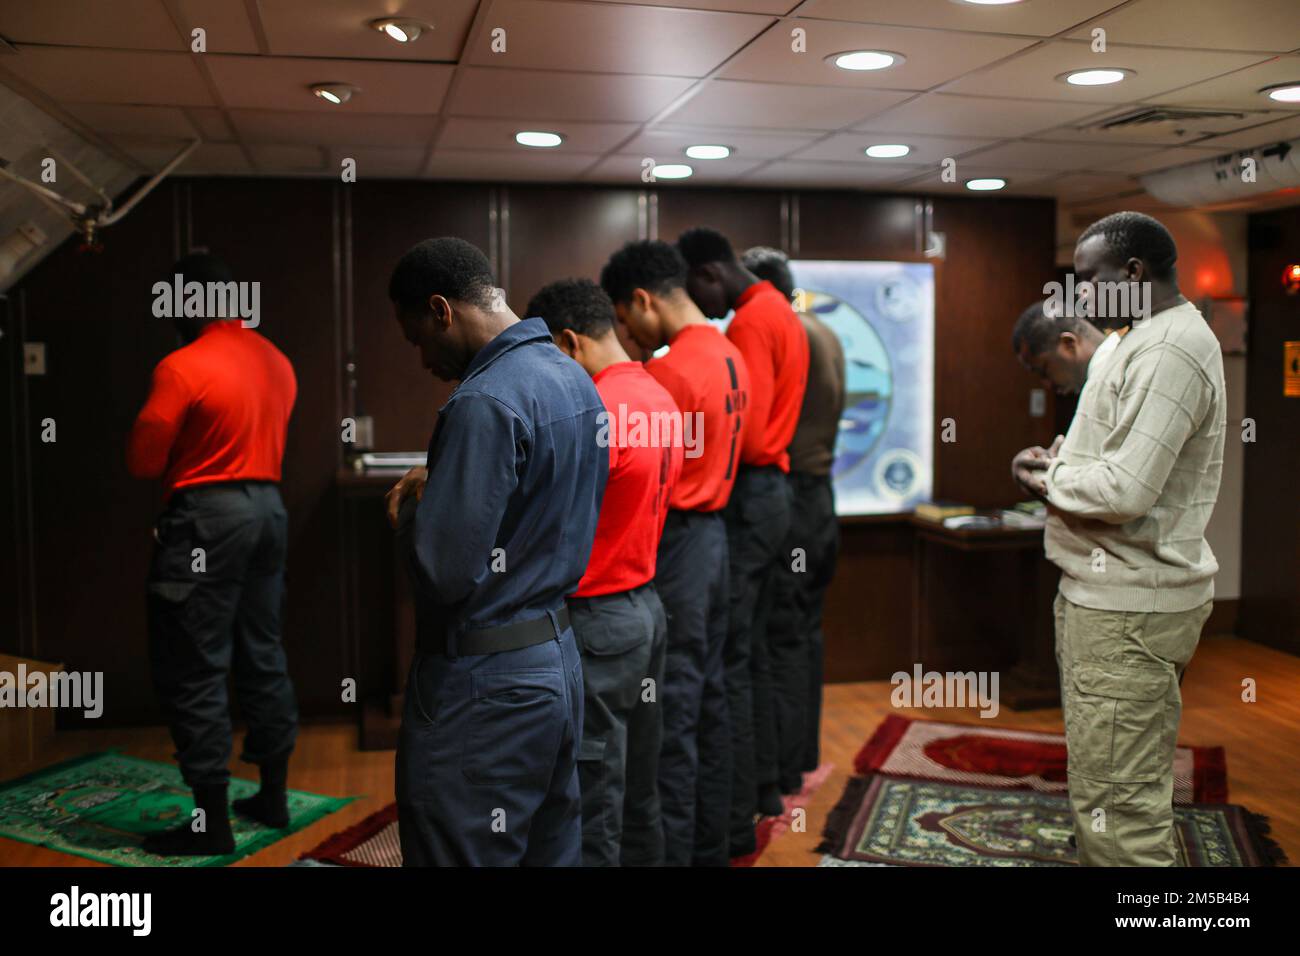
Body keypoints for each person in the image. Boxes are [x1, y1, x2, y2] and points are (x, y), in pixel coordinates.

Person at [1011, 211, 1226, 867]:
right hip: (1111, 598)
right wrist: (1060, 466)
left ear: (1133, 274)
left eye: (1087, 278)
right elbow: (1107, 459)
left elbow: (1126, 491)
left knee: (1120, 811)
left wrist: (1048, 482)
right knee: (1105, 792)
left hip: (1128, 605)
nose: (1077, 294)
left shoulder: (1167, 349)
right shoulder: (1139, 337)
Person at [383, 238, 607, 866]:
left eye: (418, 337)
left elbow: (443, 573)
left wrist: (415, 510)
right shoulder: (573, 376)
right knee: (549, 851)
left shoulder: (483, 400)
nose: (424, 358)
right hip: (556, 662)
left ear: (441, 309)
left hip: (484, 683)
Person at [127, 251, 298, 856]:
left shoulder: (181, 365)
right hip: (269, 511)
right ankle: (272, 795)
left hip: (207, 519)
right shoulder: (277, 359)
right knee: (263, 650)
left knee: (194, 664)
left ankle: (210, 824)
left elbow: (144, 460)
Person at [600, 240, 750, 866]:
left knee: (672, 720)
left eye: (624, 318)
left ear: (643, 300)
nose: (627, 335)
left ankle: (677, 857)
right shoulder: (729, 350)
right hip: (718, 538)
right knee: (710, 702)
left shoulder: (667, 371)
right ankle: (713, 846)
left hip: (682, 545)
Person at [525, 277, 683, 866]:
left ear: (568, 343)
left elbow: (549, 516)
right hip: (645, 608)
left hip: (600, 618)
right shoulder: (658, 395)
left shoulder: (597, 407)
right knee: (639, 782)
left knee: (592, 794)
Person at [676, 227, 808, 856]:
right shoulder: (779, 307)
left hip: (754, 491)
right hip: (775, 494)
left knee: (730, 655)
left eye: (695, 292)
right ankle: (763, 789)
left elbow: (749, 434)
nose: (700, 308)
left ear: (709, 274)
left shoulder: (753, 320)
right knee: (749, 649)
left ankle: (735, 811)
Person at [741, 246, 845, 795]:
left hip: (792, 494)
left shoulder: (782, 333)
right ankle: (799, 755)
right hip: (821, 498)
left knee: (779, 634)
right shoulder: (822, 331)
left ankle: (777, 770)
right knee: (803, 633)